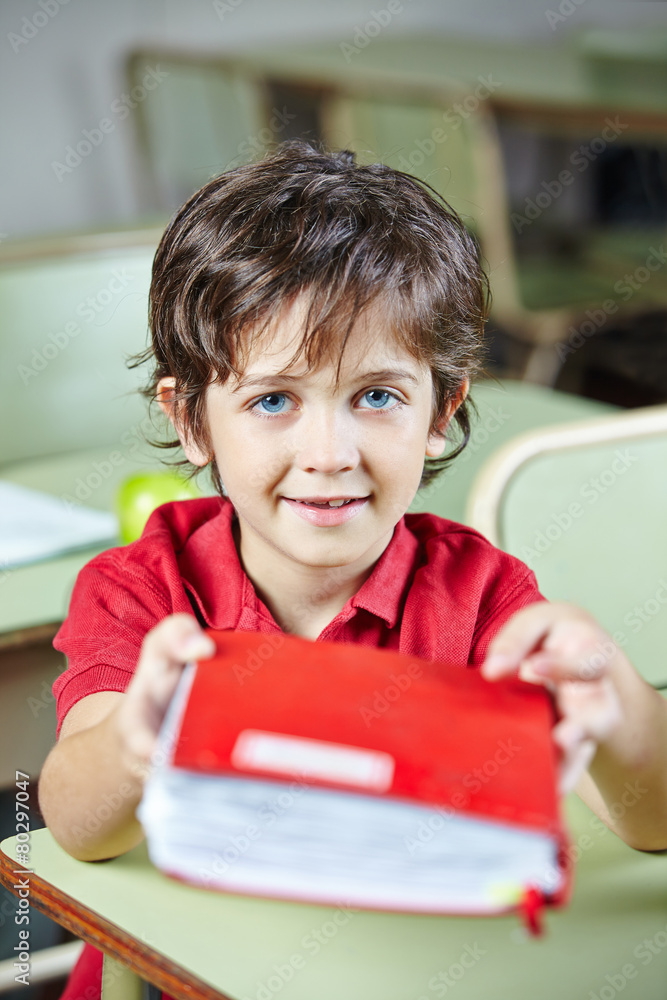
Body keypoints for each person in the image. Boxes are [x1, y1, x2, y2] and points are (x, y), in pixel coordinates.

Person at [37, 141, 667, 1000]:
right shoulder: (143, 590)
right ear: (191, 422)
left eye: (376, 396)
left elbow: (648, 822)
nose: (328, 455)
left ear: (440, 411)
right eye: (272, 401)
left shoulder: (481, 599)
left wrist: (618, 705)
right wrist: (136, 741)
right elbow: (75, 825)